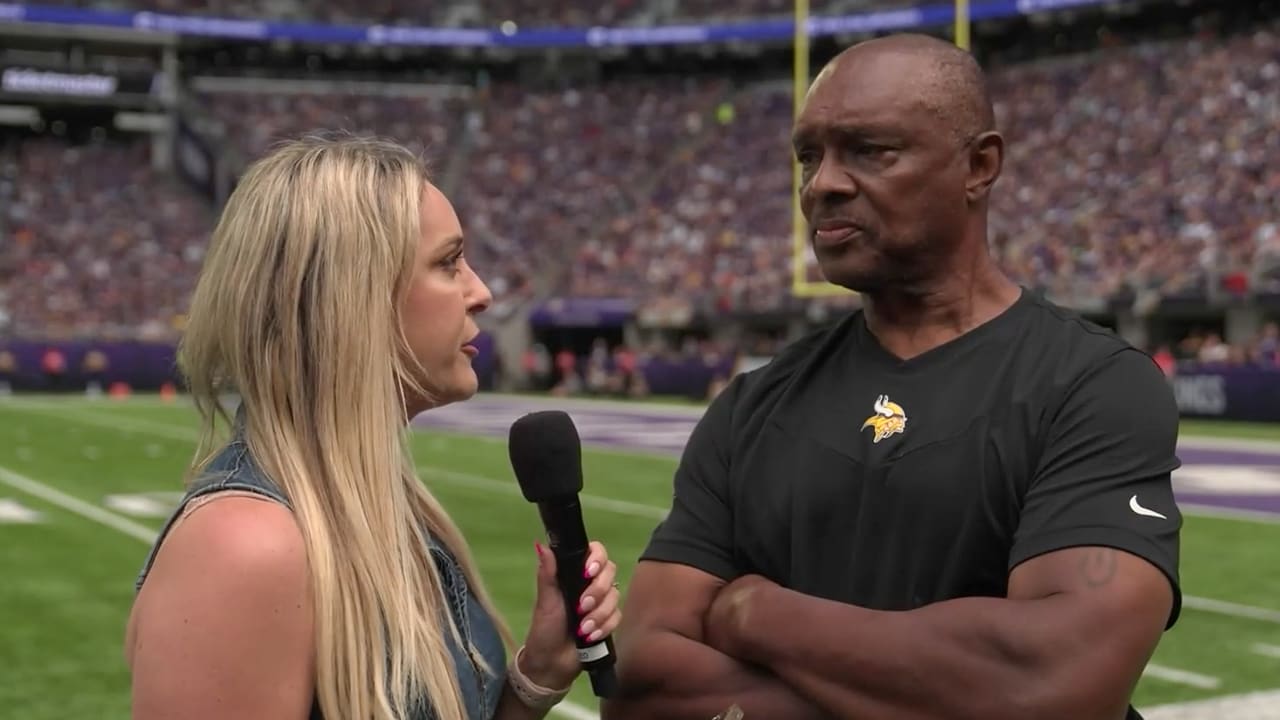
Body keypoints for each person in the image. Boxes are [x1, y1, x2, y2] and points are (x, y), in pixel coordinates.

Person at [603, 33, 1181, 720]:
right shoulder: (752, 405)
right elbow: (640, 682)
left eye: (870, 151)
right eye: (808, 156)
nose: (823, 184)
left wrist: (753, 612)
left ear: (980, 165)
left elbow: (1054, 687)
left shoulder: (1093, 385)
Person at [125, 133, 622, 720]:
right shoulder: (245, 549)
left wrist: (535, 678)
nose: (481, 292)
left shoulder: (378, 507)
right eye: (448, 262)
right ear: (350, 300)